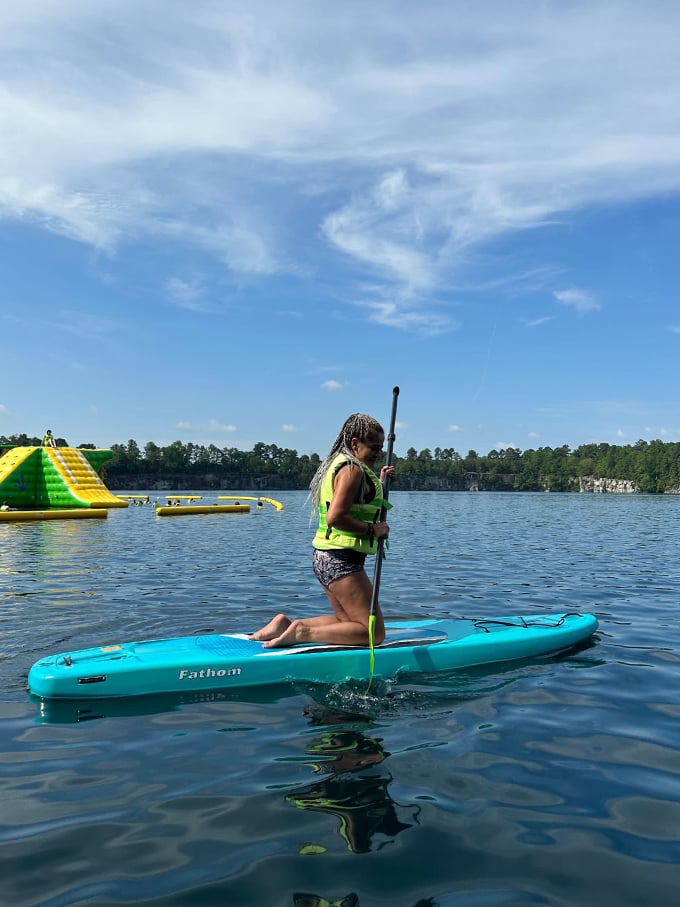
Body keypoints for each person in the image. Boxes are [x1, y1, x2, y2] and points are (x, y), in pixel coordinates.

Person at [250, 413, 395, 649]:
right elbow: (335, 517)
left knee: (347, 622)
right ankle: (301, 631)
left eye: (381, 447)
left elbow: (357, 501)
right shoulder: (352, 471)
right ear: (355, 444)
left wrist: (379, 480)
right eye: (374, 447)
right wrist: (372, 529)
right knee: (373, 633)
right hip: (341, 560)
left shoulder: (342, 465)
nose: (378, 453)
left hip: (326, 557)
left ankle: (285, 625)